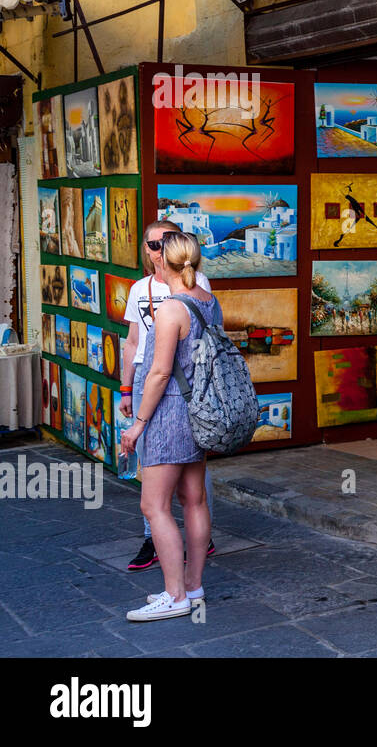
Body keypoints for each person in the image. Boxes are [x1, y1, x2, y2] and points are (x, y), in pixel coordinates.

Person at [119, 232, 220, 621]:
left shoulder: (170, 310)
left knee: (153, 505)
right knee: (194, 498)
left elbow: (159, 373)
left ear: (163, 261)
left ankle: (174, 595)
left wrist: (137, 426)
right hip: (198, 408)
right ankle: (194, 587)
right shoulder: (207, 301)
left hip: (169, 413)